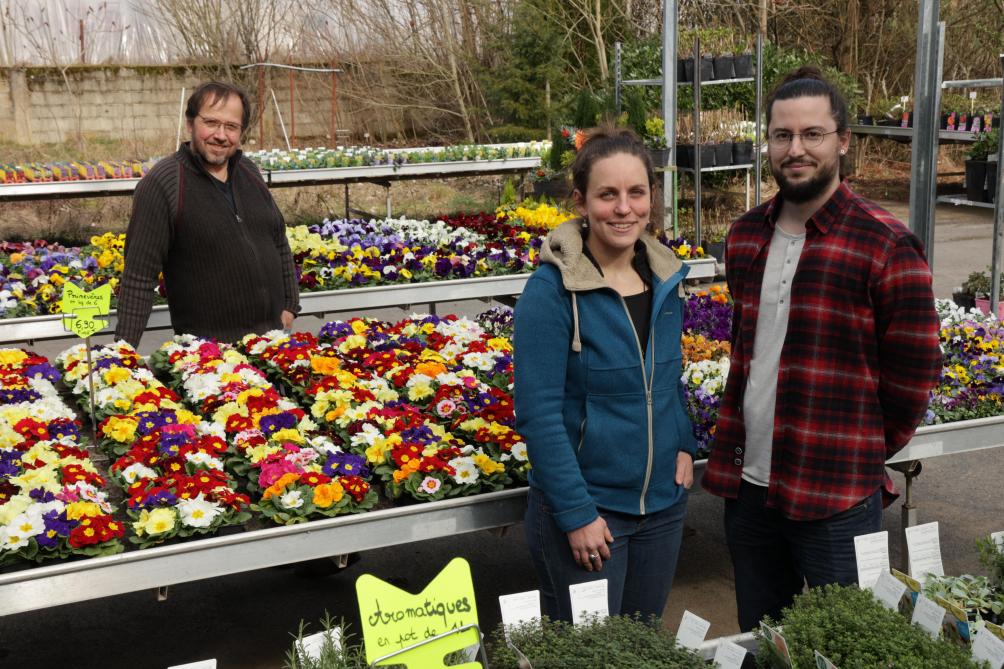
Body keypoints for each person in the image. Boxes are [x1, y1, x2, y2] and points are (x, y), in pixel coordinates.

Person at [702, 66, 943, 631]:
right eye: (782, 135)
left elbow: (914, 372)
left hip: (835, 496)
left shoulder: (883, 244)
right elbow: (750, 350)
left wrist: (862, 449)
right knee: (765, 639)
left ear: (842, 141)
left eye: (812, 134)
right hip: (750, 490)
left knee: (849, 638)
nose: (796, 149)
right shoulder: (745, 235)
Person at [513, 126, 697, 623]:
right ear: (581, 200)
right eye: (607, 195)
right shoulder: (551, 291)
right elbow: (539, 415)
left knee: (641, 646)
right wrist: (575, 513)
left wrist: (683, 441)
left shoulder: (663, 278)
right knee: (587, 655)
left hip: (661, 508)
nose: (624, 209)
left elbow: (667, 378)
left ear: (652, 198)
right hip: (591, 515)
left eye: (636, 193)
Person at [115, 81, 299, 347]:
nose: (221, 135)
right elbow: (139, 277)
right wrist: (124, 353)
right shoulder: (164, 183)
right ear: (190, 124)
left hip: (270, 342)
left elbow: (277, 238)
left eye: (231, 127)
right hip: (208, 357)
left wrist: (290, 304)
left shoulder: (248, 171)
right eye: (211, 123)